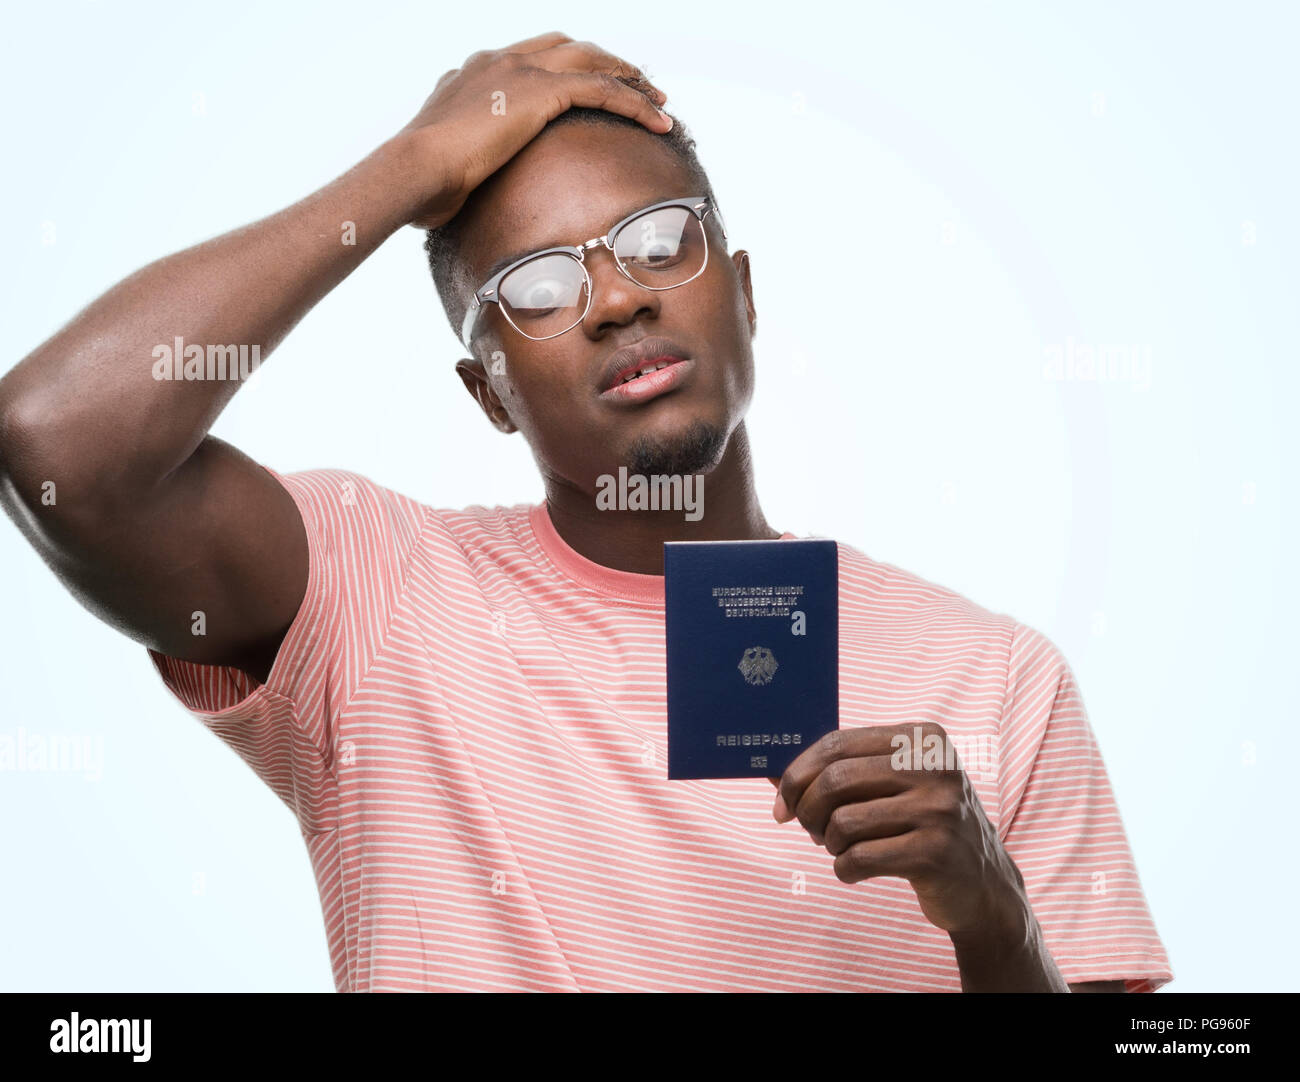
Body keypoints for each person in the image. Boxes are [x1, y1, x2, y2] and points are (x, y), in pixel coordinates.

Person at [0, 32, 1172, 992]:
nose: (616, 295)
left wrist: (992, 915)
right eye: (539, 288)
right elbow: (58, 442)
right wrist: (412, 166)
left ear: (746, 293)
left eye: (660, 241)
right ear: (487, 392)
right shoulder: (370, 591)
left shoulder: (999, 679)